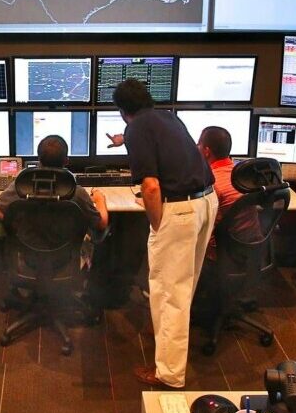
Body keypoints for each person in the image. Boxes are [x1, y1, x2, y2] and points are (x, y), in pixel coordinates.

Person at [107, 79, 218, 389]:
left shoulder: (138, 128)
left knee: (169, 292)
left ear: (122, 111)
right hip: (207, 201)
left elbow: (151, 186)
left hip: (180, 211)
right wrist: (124, 138)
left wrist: (158, 224)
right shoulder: (168, 116)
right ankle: (170, 339)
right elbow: (161, 143)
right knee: (184, 284)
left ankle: (169, 374)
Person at [0, 135, 109, 245]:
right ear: (66, 161)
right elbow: (101, 224)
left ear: (39, 159)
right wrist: (99, 199)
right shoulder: (76, 192)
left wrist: (17, 233)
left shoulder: (23, 186)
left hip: (27, 260)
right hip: (68, 260)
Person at [196, 126, 260, 261]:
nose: (197, 147)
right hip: (253, 247)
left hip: (222, 253)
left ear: (206, 151)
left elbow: (204, 226)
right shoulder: (245, 175)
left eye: (199, 144)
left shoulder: (210, 182)